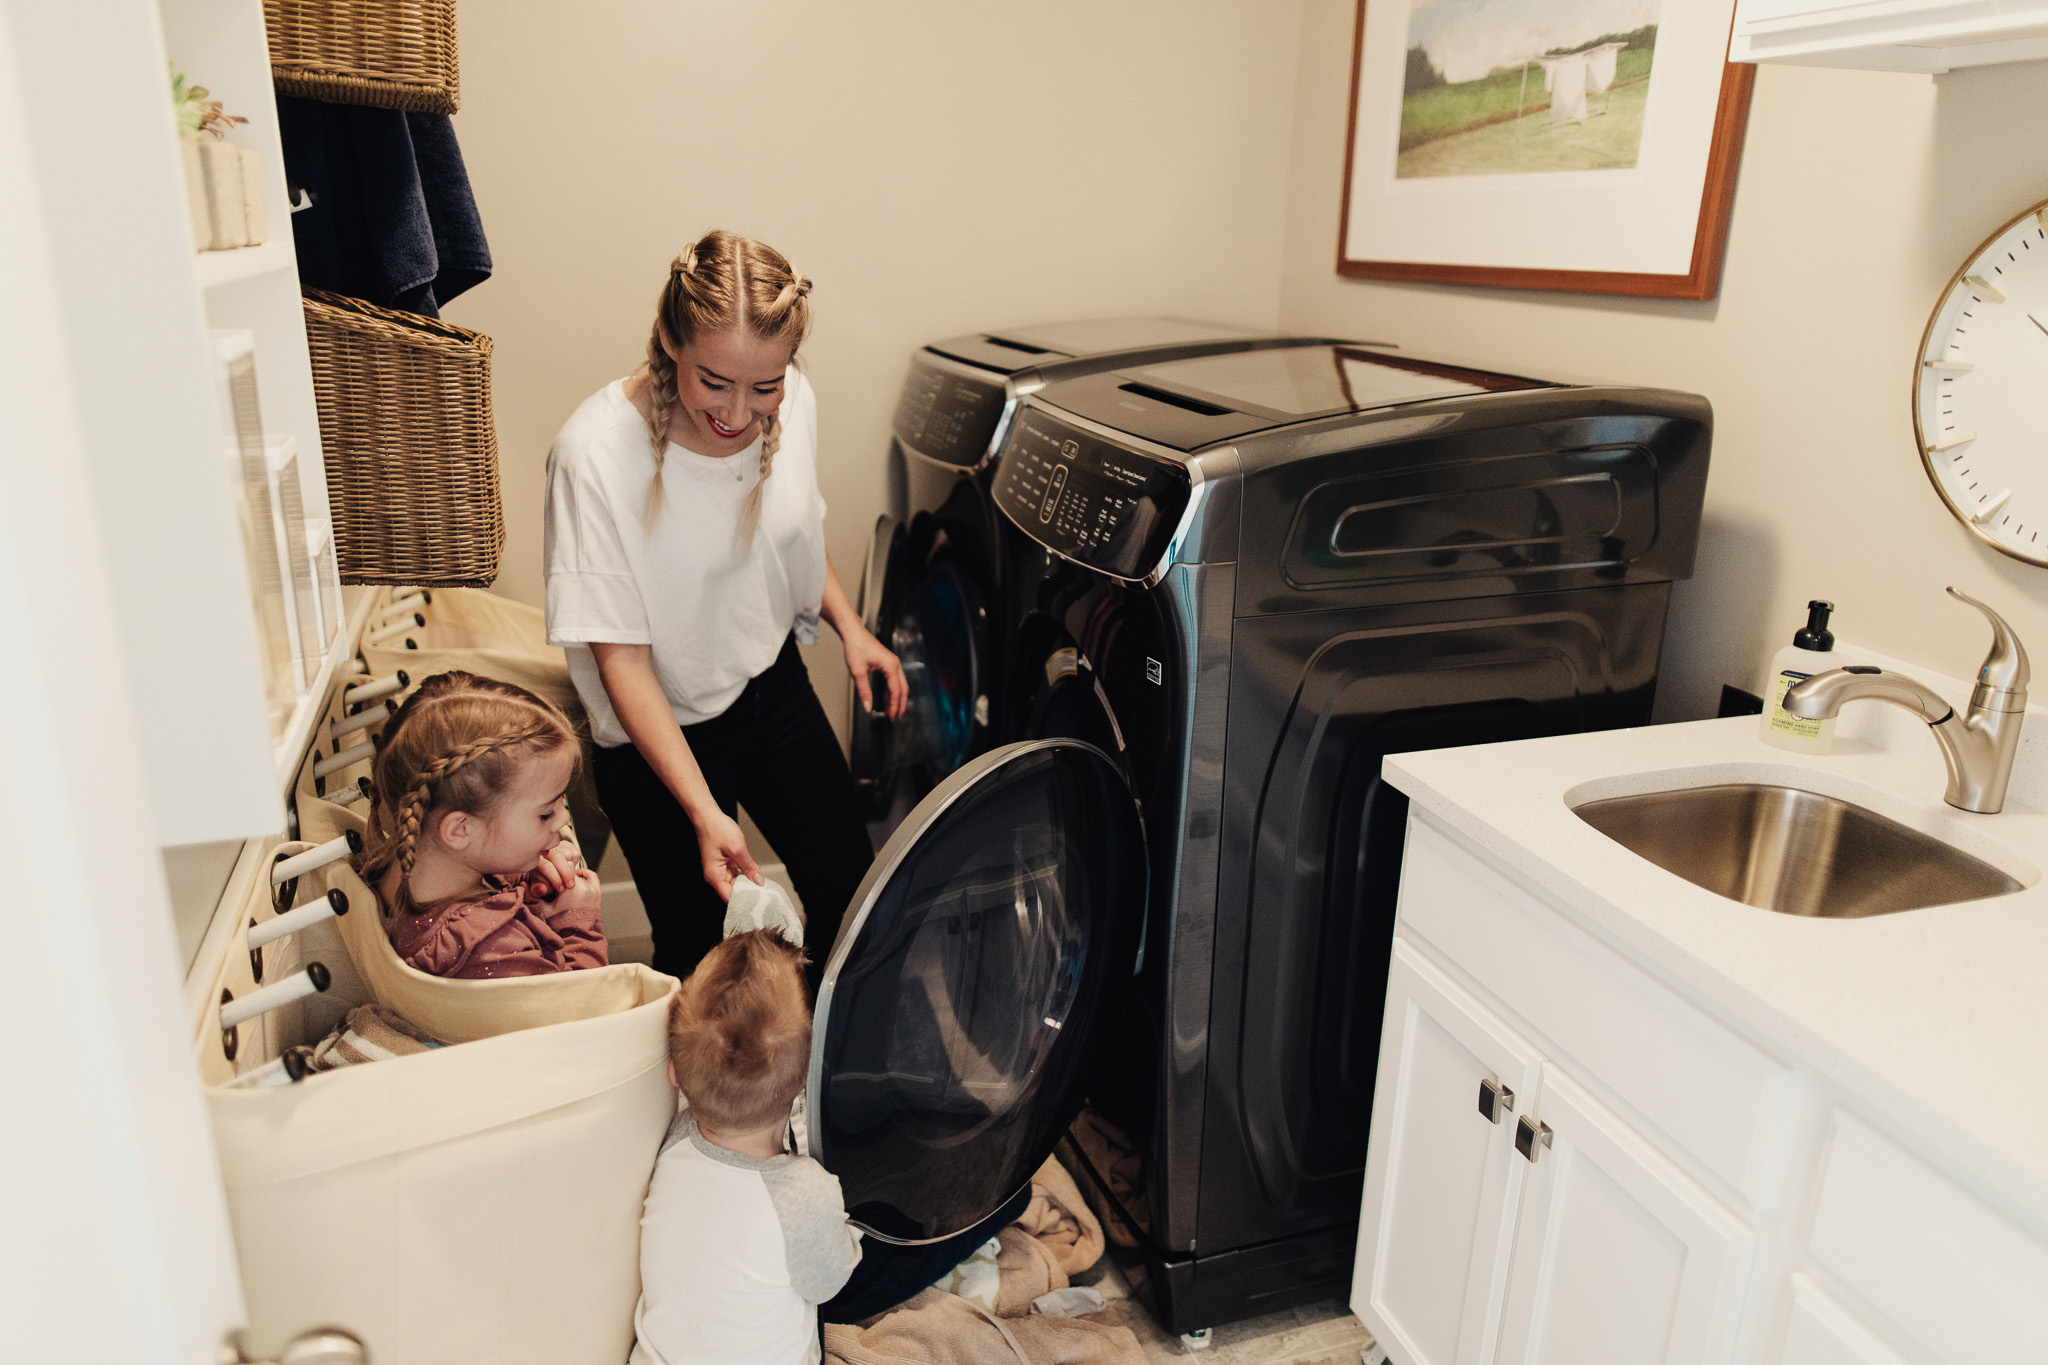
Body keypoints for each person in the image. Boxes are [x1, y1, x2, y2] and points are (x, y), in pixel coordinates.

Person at [543, 229, 905, 990]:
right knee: (709, 968)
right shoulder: (595, 456)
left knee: (856, 896)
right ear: (672, 338)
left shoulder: (793, 396)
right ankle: (736, 1108)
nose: (740, 413)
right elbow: (622, 663)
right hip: (657, 735)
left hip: (769, 687)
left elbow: (788, 536)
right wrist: (706, 811)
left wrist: (851, 627)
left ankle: (834, 1084)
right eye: (716, 382)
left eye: (763, 387)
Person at [631, 928, 861, 1365]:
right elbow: (828, 1283)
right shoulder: (805, 1192)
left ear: (674, 1073)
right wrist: (844, 1231)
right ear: (804, 1081)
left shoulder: (675, 1140)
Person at [358, 670, 607, 978]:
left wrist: (525, 885)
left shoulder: (401, 867)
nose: (564, 817)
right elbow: (585, 1014)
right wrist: (578, 923)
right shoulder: (492, 946)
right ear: (460, 830)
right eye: (546, 812)